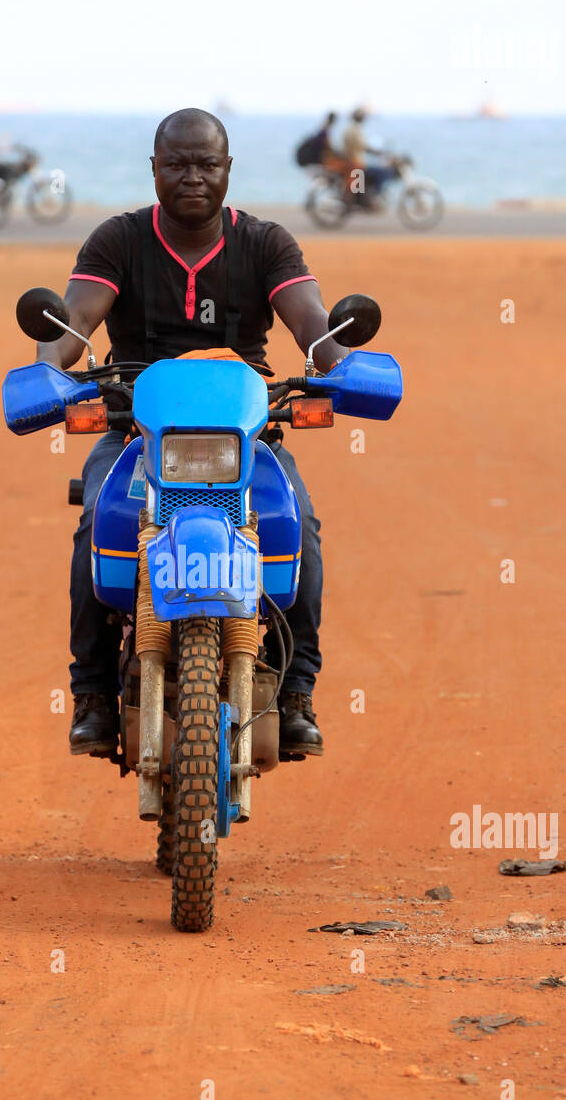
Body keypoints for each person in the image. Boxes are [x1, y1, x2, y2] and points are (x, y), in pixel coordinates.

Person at [35, 108, 353, 759]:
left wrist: (341, 364)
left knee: (301, 524)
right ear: (155, 168)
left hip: (248, 434)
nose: (192, 177)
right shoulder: (118, 240)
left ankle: (297, 692)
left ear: (228, 169)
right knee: (97, 521)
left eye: (206, 164)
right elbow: (74, 323)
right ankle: (93, 694)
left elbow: (311, 322)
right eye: (177, 163)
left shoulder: (266, 243)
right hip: (135, 431)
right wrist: (46, 370)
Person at [342, 107, 392, 205]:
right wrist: (379, 152)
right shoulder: (355, 130)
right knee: (383, 173)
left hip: (351, 161)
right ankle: (374, 197)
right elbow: (363, 146)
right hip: (356, 163)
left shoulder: (349, 129)